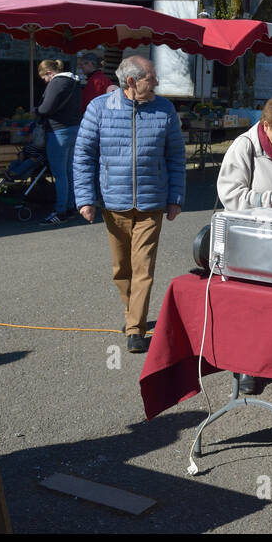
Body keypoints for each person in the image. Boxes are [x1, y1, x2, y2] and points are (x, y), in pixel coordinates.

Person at [73, 56, 185, 354]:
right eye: (151, 77)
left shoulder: (165, 109)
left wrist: (175, 198)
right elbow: (83, 155)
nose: (157, 82)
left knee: (143, 267)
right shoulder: (99, 109)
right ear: (132, 82)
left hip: (152, 204)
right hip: (114, 203)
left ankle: (135, 328)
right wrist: (85, 199)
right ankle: (132, 314)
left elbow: (175, 156)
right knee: (121, 269)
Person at [34, 59, 82, 225]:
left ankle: (60, 210)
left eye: (44, 78)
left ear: (49, 73)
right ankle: (70, 207)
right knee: (69, 171)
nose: (45, 81)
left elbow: (46, 108)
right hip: (74, 128)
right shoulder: (75, 82)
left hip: (58, 131)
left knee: (59, 173)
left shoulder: (57, 83)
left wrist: (36, 110)